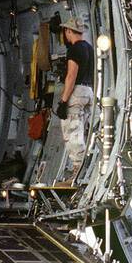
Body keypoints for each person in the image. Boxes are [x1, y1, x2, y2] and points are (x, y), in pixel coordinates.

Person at [54, 18, 94, 175]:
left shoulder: (74, 49)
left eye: (66, 31)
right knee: (82, 132)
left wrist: (63, 101)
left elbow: (71, 76)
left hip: (76, 92)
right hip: (88, 92)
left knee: (72, 133)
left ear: (68, 31)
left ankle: (78, 170)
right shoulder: (89, 48)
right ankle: (85, 168)